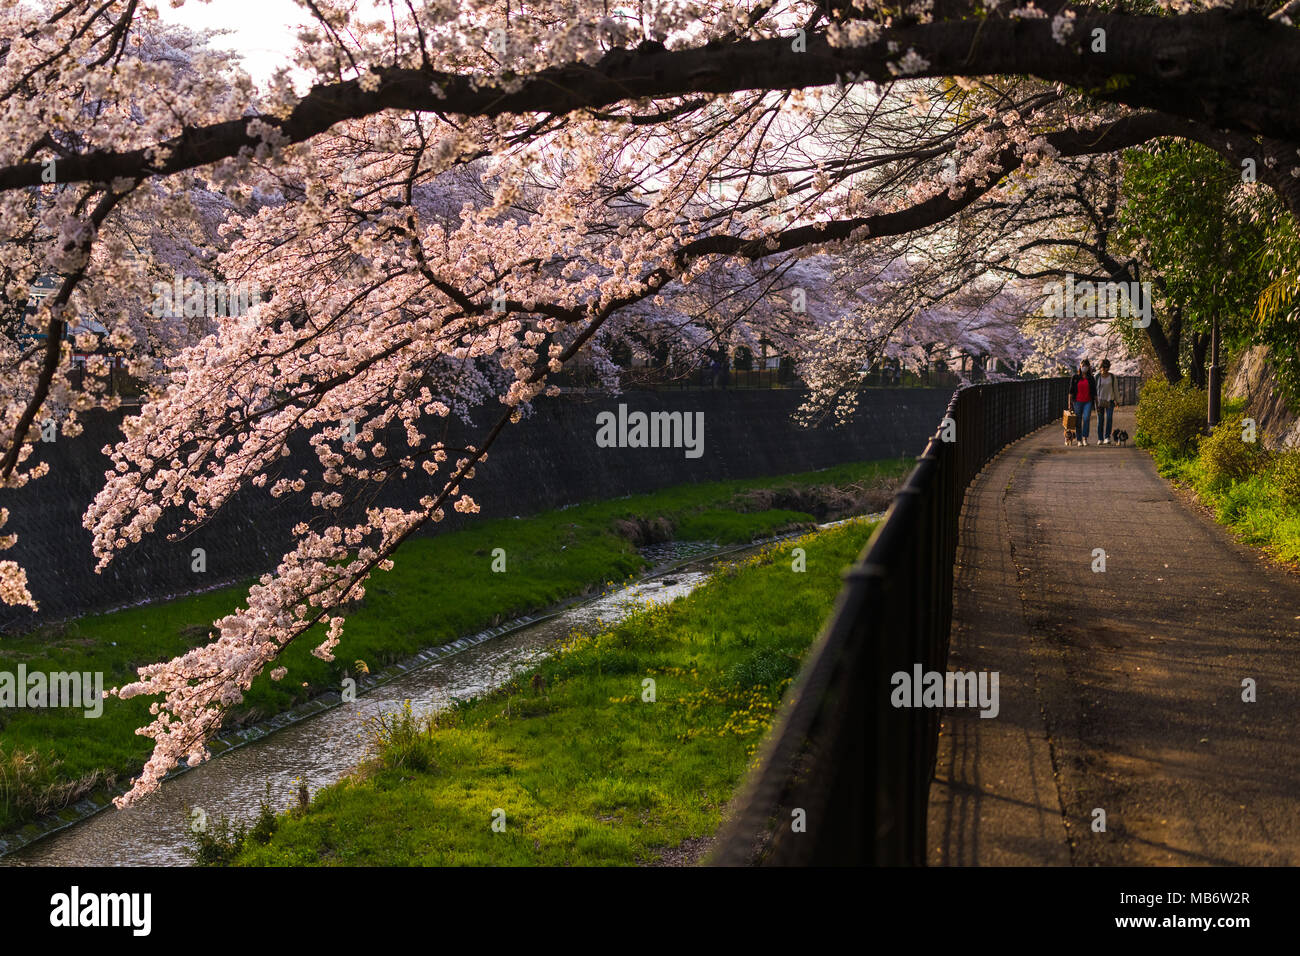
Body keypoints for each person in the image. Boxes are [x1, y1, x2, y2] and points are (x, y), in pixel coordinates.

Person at [1068, 359, 1097, 446]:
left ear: (1088, 368)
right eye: (1082, 365)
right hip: (1077, 402)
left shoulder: (1091, 378)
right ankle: (1079, 439)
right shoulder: (1075, 377)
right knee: (1078, 420)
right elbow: (1071, 391)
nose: (1084, 367)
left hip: (1088, 401)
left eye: (1086, 366)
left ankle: (1085, 438)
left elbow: (1094, 392)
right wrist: (1069, 403)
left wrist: (1097, 402)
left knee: (1086, 418)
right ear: (1080, 367)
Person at [1094, 359, 1117, 444]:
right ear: (1100, 367)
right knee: (1100, 420)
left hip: (1110, 400)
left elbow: (1115, 389)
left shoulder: (1112, 377)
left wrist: (1117, 400)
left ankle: (1107, 437)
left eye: (1107, 367)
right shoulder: (1097, 377)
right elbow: (1094, 390)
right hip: (1099, 402)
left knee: (1109, 418)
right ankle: (1100, 438)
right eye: (1103, 367)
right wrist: (1094, 400)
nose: (1105, 369)